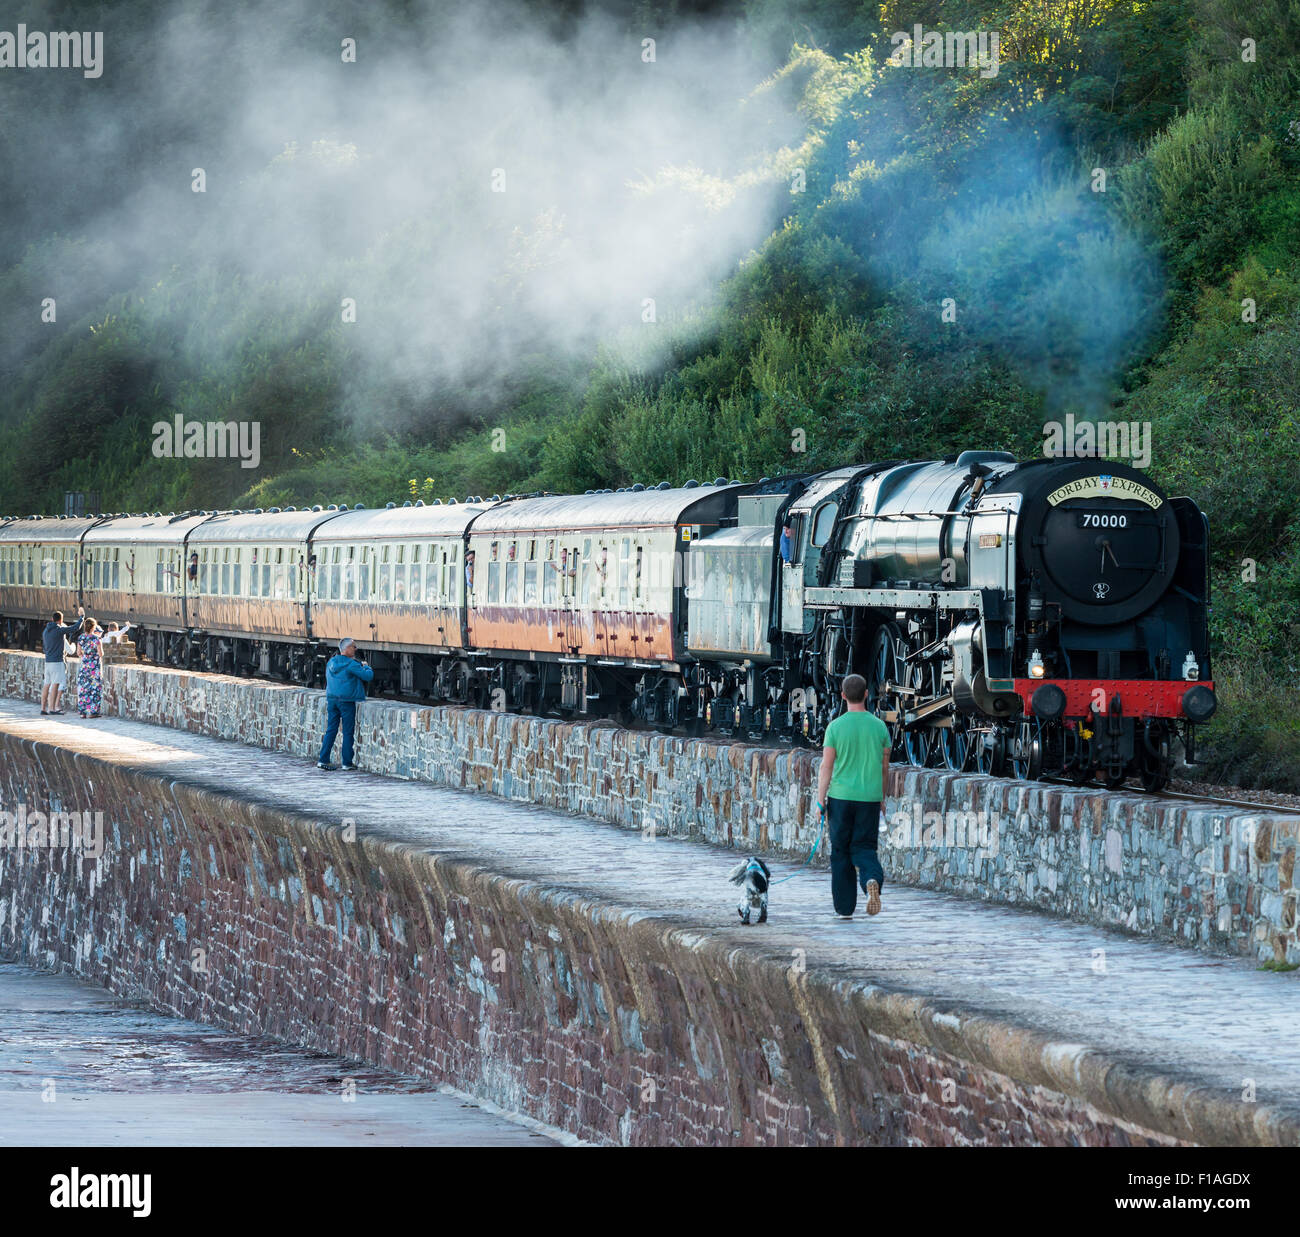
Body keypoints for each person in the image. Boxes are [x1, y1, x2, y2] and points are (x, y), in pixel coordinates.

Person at [815, 673, 891, 919]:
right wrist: (881, 797)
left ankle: (845, 908)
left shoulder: (835, 727)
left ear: (843, 695)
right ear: (867, 695)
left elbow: (826, 767)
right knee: (865, 847)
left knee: (840, 851)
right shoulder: (880, 727)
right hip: (869, 797)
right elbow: (884, 767)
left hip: (840, 797)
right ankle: (871, 880)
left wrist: (820, 800)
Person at [317, 637, 374, 771]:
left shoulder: (331, 662)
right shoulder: (351, 664)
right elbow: (368, 676)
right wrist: (366, 667)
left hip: (332, 700)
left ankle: (323, 759)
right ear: (347, 649)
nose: (355, 649)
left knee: (331, 729)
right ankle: (347, 762)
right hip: (347, 701)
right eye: (354, 647)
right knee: (348, 732)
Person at [41, 607, 85, 714]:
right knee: (55, 684)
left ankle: (43, 708)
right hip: (57, 662)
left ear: (52, 619)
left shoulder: (45, 631)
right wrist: (82, 617)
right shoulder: (59, 630)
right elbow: (75, 628)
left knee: (47, 684)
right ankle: (51, 708)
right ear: (60, 620)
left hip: (48, 661)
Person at [75, 618, 110, 718]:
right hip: (94, 667)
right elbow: (101, 653)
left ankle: (83, 712)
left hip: (85, 666)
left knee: (84, 688)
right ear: (94, 627)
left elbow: (78, 653)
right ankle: (93, 712)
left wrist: (85, 655)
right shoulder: (96, 638)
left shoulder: (81, 638)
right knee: (94, 688)